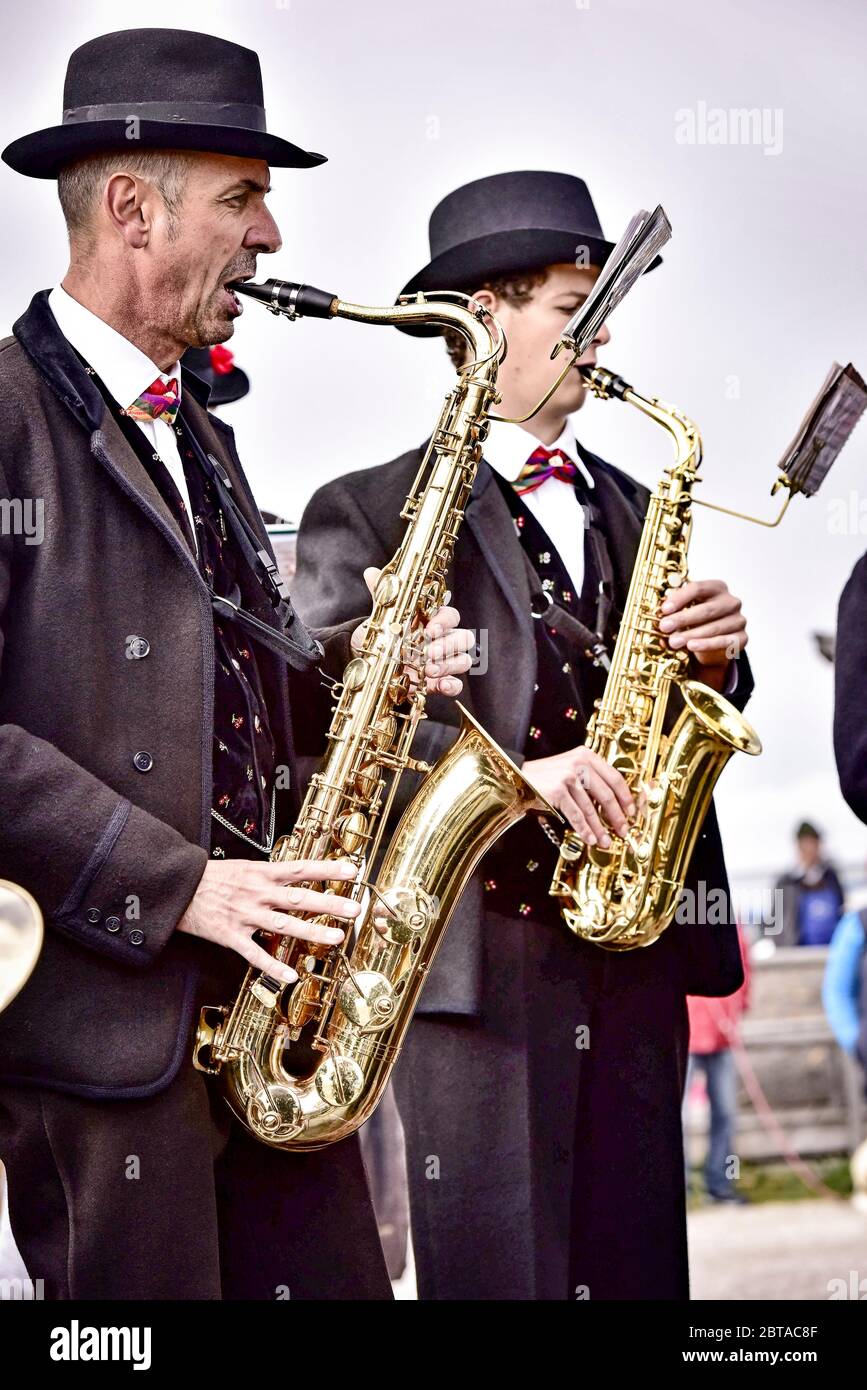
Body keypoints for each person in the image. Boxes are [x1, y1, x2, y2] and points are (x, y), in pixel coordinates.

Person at [0, 27, 473, 1301]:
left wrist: (353, 671)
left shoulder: (195, 426)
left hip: (269, 1021)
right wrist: (181, 887)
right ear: (130, 206)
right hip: (111, 1049)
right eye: (244, 197)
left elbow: (218, 685)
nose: (270, 238)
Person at [292, 169, 754, 1300]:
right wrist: (514, 777)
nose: (600, 338)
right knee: (505, 1276)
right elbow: (322, 738)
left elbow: (693, 710)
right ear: (485, 315)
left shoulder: (638, 504)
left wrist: (717, 658)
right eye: (572, 308)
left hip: (631, 949)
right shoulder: (365, 507)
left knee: (639, 1267)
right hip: (475, 966)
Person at [684, 926, 750, 1204]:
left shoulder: (729, 921)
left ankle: (720, 1183)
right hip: (687, 1034)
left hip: (722, 1036)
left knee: (726, 1112)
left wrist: (737, 1008)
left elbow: (744, 966)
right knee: (676, 1116)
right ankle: (677, 1185)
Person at [774, 822, 844, 946]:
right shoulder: (786, 882)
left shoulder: (831, 877)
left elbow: (842, 909)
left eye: (813, 843)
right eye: (806, 844)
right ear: (798, 846)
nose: (810, 849)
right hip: (798, 952)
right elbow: (776, 922)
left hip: (832, 949)